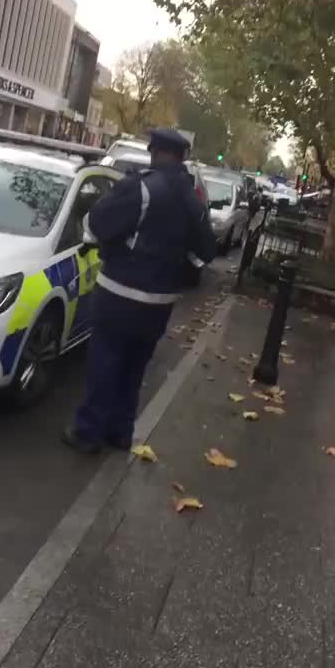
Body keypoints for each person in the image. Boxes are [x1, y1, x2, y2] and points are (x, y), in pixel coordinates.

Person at [62, 128, 217, 455]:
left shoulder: (141, 187)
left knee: (104, 364)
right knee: (134, 368)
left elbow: (98, 224)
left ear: (155, 152)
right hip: (160, 303)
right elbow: (206, 250)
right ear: (182, 158)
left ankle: (88, 433)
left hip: (118, 294)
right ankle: (120, 433)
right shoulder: (193, 200)